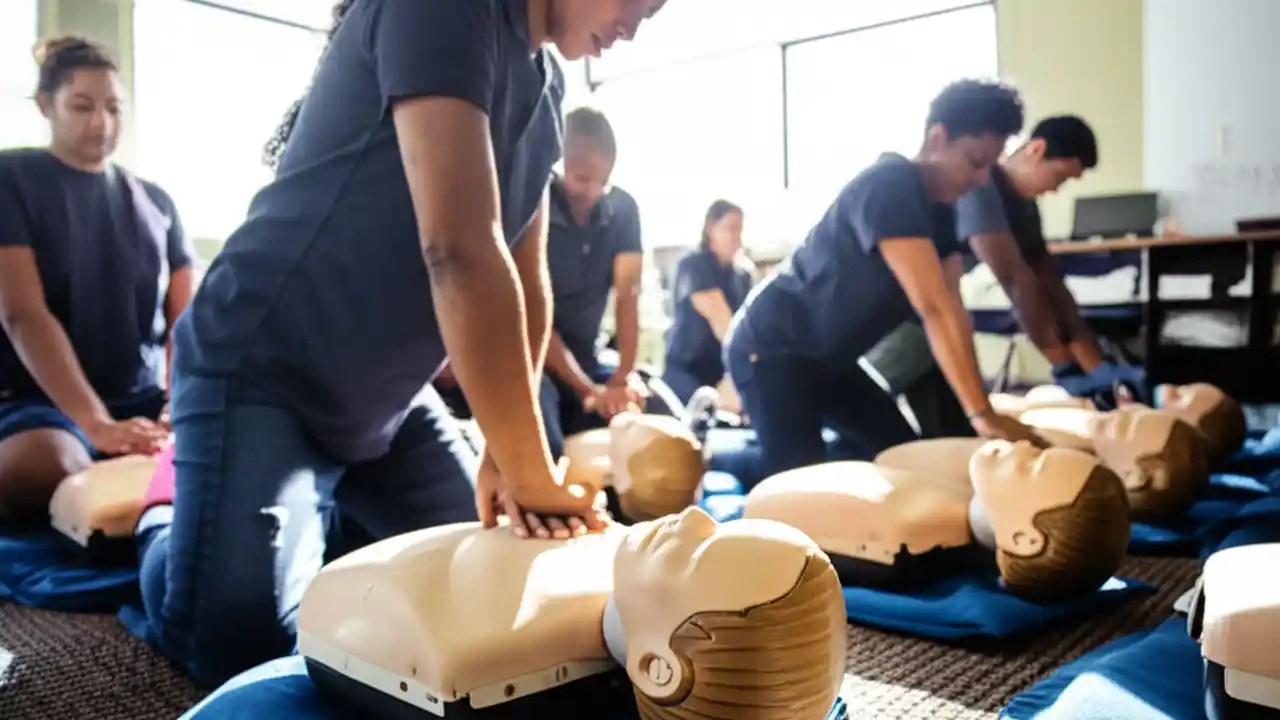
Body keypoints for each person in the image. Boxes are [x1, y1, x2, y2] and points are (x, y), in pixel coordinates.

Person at [133, 0, 667, 687]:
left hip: (386, 403)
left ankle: (311, 515)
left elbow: (527, 282)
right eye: (638, 1)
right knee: (245, 639)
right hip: (262, 371)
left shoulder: (549, 88)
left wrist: (515, 453)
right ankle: (165, 513)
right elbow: (461, 250)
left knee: (492, 577)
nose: (635, 24)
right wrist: (531, 469)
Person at [724, 79, 1046, 476]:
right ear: (937, 137)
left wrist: (980, 408)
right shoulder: (890, 184)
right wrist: (982, 415)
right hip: (772, 347)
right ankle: (720, 457)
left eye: (990, 167)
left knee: (900, 455)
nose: (982, 181)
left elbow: (952, 310)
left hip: (830, 361)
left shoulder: (943, 211)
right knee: (796, 478)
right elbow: (933, 308)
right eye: (975, 163)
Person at [0, 37, 187, 523]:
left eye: (113, 108)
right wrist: (97, 424)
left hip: (140, 401)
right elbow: (22, 313)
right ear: (46, 105)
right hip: (41, 404)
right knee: (48, 468)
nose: (101, 123)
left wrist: (178, 405)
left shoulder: (158, 202)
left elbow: (184, 322)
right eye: (82, 106)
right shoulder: (11, 179)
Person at [873, 116, 1138, 437]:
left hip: (942, 326)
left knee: (953, 438)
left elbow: (1051, 284)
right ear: (1036, 150)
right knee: (867, 419)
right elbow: (1015, 280)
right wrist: (1064, 366)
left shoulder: (1025, 208)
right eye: (1060, 176)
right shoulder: (980, 187)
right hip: (900, 319)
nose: (1056, 190)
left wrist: (1099, 369)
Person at [540, 107, 676, 457]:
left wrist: (622, 376)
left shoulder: (624, 208)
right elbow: (531, 318)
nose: (593, 191)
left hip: (590, 355)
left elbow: (627, 296)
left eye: (603, 180)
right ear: (558, 161)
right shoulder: (533, 204)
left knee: (667, 419)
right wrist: (588, 391)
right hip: (536, 362)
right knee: (544, 441)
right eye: (581, 177)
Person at [662, 200, 756, 405]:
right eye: (729, 228)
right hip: (686, 374)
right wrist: (743, 369)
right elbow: (720, 319)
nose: (735, 236)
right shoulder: (695, 264)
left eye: (739, 229)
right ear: (710, 228)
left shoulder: (742, 275)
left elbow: (749, 325)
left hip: (720, 371)